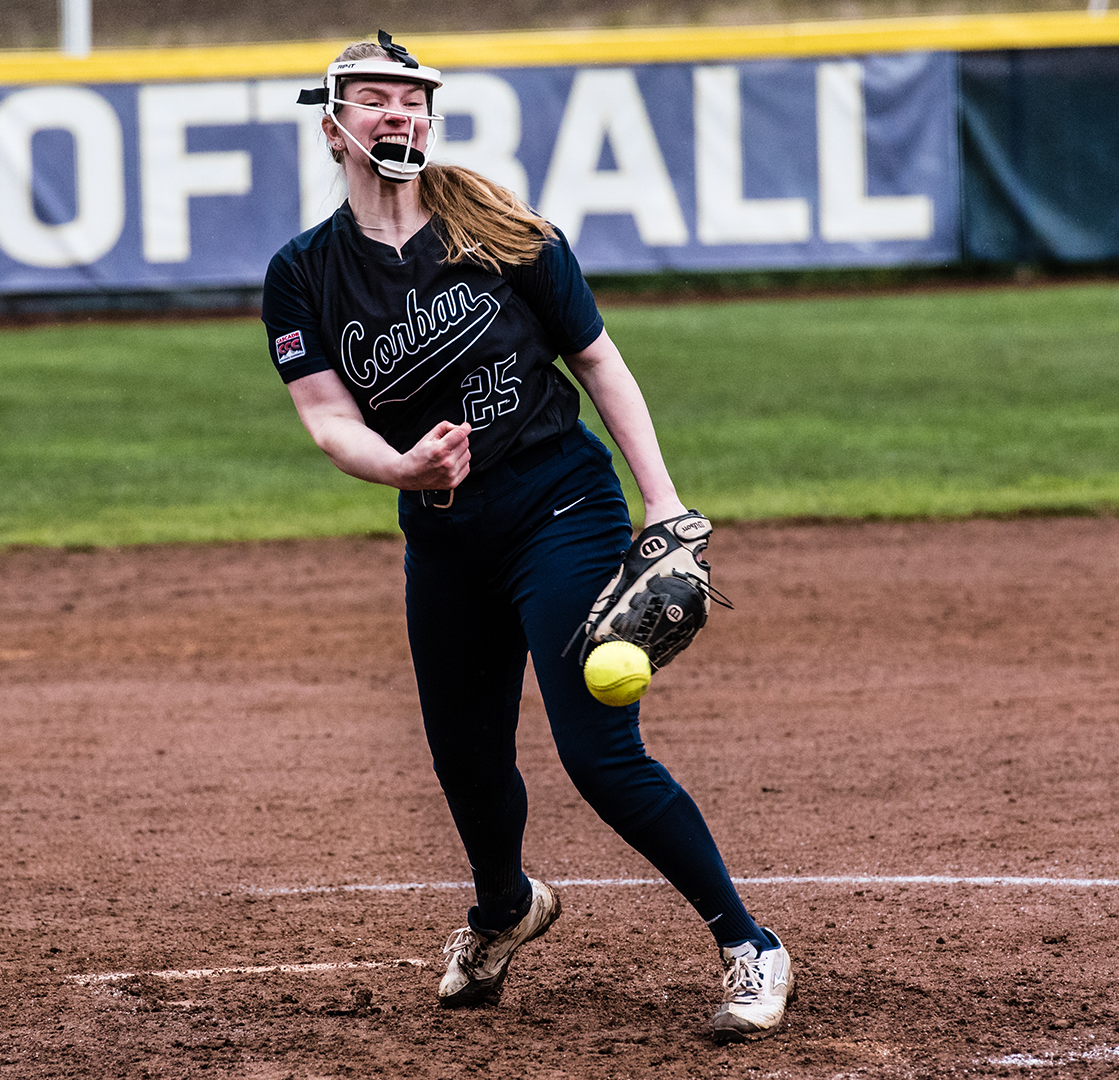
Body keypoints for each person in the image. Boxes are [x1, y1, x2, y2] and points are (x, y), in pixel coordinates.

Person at [260, 32, 793, 1041]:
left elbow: (599, 363)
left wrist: (664, 504)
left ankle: (750, 944)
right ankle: (505, 908)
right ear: (332, 128)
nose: (397, 113)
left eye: (412, 99)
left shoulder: (506, 232)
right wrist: (403, 469)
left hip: (560, 508)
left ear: (429, 120)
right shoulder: (303, 273)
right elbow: (328, 417)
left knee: (598, 752)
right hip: (444, 537)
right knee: (465, 759)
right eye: (372, 99)